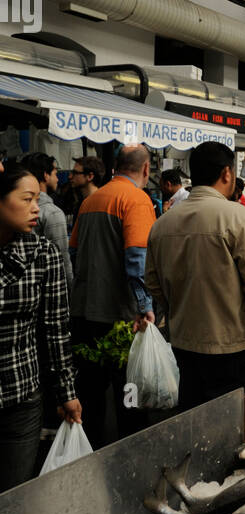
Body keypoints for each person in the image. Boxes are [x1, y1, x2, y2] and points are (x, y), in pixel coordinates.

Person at [143, 141, 245, 410]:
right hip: (232, 345)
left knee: (194, 419)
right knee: (231, 423)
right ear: (227, 173)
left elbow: (153, 282)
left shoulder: (163, 223)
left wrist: (177, 309)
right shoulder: (239, 218)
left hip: (184, 341)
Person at [0, 164, 81, 491]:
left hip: (21, 393)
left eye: (38, 198)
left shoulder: (42, 253)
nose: (36, 208)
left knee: (12, 493)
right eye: (27, 198)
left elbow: (55, 328)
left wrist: (66, 392)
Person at [69, 143, 156, 446]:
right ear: (146, 169)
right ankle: (128, 462)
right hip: (120, 318)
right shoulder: (137, 200)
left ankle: (90, 456)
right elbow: (137, 260)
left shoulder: (92, 200)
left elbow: (74, 251)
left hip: (84, 313)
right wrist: (145, 305)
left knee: (91, 396)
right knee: (128, 399)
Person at [20, 152, 73, 290]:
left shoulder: (15, 208)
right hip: (46, 288)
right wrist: (70, 289)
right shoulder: (52, 212)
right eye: (55, 174)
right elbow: (63, 259)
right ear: (45, 175)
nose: (57, 179)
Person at [62, 155, 105, 231]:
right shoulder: (81, 203)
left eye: (75, 173)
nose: (70, 176)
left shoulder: (101, 204)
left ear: (90, 176)